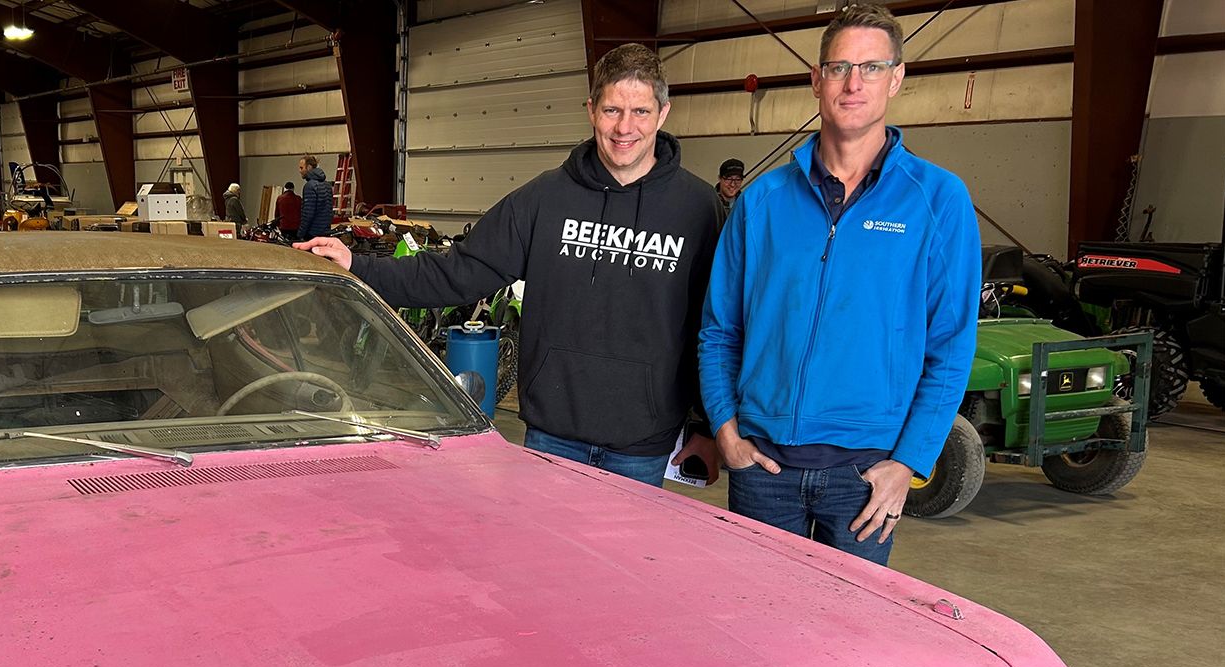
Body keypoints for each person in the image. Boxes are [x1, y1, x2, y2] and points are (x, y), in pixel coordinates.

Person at [296, 43, 722, 488]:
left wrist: (705, 426)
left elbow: (714, 326)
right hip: (552, 435)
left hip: (644, 444)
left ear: (663, 114)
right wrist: (358, 265)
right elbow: (458, 272)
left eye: (640, 111)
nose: (625, 128)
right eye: (612, 110)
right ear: (591, 109)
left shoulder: (697, 208)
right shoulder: (545, 199)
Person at [698, 3, 979, 565]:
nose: (854, 83)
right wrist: (726, 430)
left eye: (871, 68)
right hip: (762, 467)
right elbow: (718, 329)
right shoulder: (762, 202)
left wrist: (909, 463)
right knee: (750, 629)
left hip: (866, 477)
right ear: (815, 80)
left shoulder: (938, 201)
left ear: (896, 78)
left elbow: (950, 346)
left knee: (848, 643)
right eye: (838, 67)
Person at [296, 155, 332, 240]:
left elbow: (308, 213)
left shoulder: (310, 186)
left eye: (301, 168)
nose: (299, 171)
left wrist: (300, 234)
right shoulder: (327, 185)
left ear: (308, 167)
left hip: (312, 234)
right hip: (325, 232)